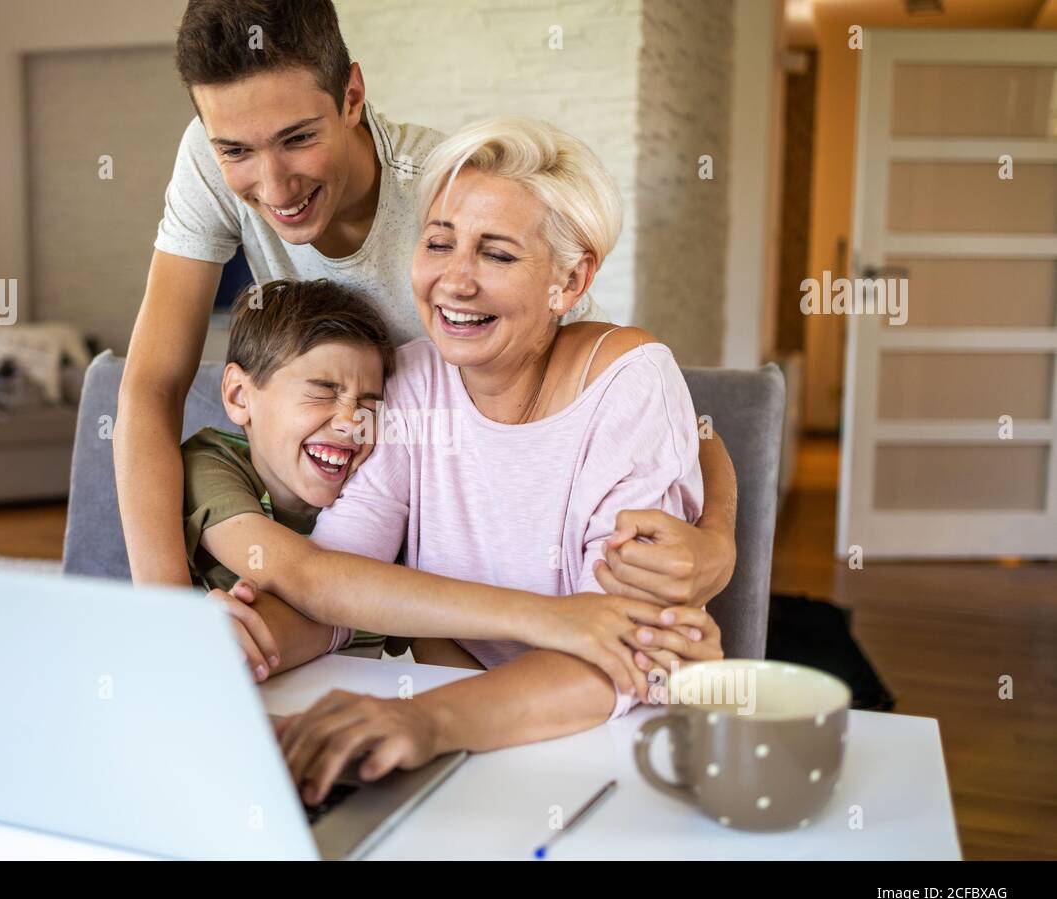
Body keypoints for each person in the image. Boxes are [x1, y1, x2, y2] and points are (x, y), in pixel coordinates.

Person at [116, 0, 738, 613]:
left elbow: (631, 405)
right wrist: (165, 619)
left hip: (424, 570)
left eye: (300, 139)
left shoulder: (453, 202)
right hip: (340, 549)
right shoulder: (210, 153)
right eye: (236, 151)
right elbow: (151, 385)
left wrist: (717, 539)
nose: (275, 188)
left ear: (353, 96)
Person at [262, 116, 722, 805]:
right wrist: (248, 639)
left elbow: (623, 654)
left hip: (608, 753)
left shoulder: (630, 382)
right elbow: (339, 582)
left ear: (569, 280)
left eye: (497, 255)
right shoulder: (414, 375)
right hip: (460, 740)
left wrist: (423, 719)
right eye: (439, 243)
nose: (455, 280)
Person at [183, 277, 718, 699]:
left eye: (370, 403)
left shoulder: (380, 490)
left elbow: (353, 620)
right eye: (322, 392)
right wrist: (555, 620)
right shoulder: (212, 463)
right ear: (238, 395)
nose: (352, 422)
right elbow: (315, 581)